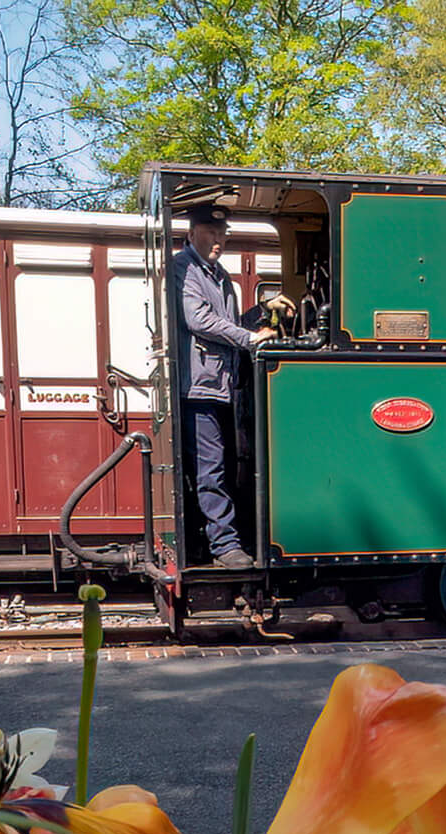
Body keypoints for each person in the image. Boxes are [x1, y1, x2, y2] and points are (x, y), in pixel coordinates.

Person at [169, 204, 275, 570]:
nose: (219, 240)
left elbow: (226, 323)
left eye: (223, 234)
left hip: (222, 387)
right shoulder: (183, 269)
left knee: (225, 466)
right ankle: (224, 546)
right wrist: (250, 338)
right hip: (200, 388)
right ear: (192, 232)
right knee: (210, 469)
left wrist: (261, 311)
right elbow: (199, 321)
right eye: (212, 233)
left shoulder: (220, 276)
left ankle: (225, 540)